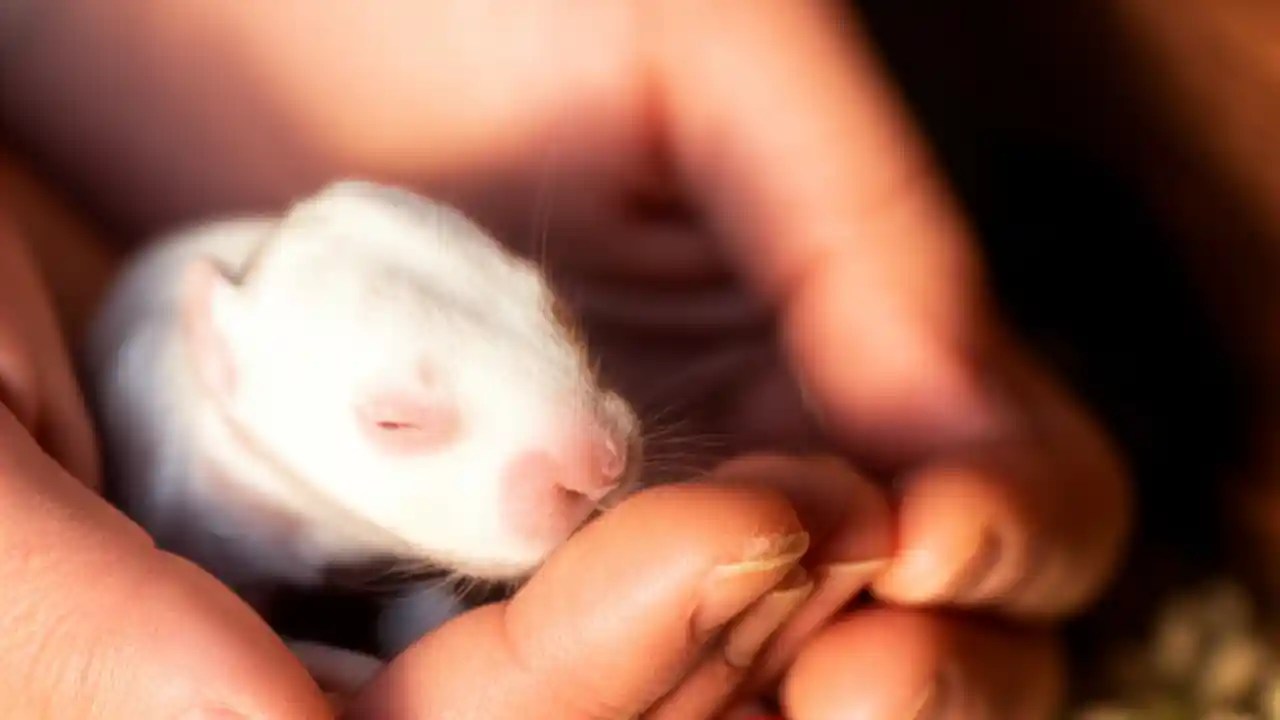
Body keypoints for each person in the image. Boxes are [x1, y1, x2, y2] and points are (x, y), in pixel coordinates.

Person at [0, 2, 1129, 717]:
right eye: (398, 422)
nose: (595, 457)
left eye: (563, 332)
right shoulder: (176, 438)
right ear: (224, 372)